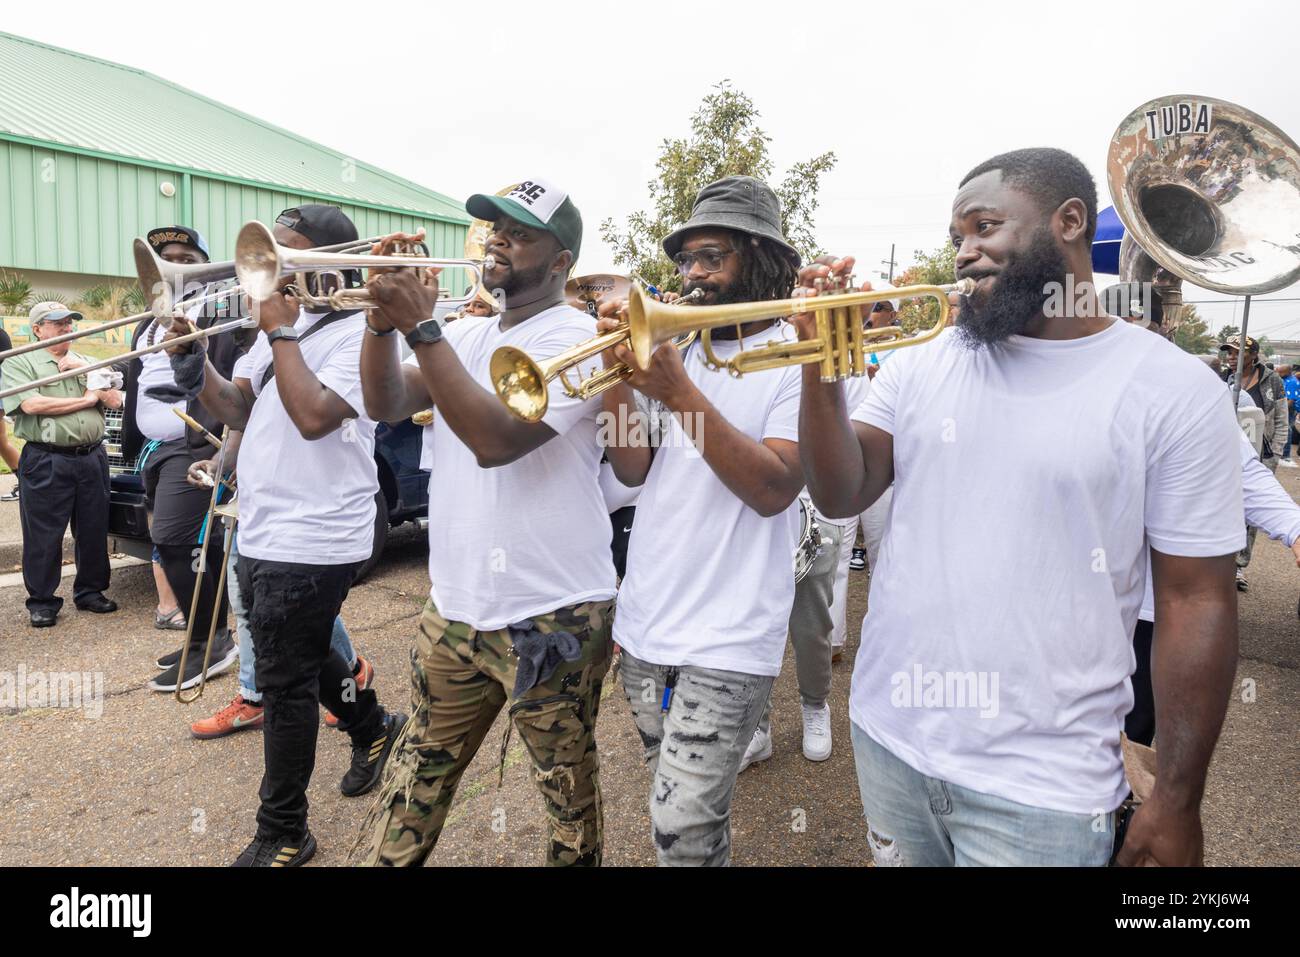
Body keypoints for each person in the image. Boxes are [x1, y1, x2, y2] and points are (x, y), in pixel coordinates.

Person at [798, 148, 1244, 867]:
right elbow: (840, 490)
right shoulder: (919, 363)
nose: (964, 254)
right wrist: (819, 370)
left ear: (1069, 222)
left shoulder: (1175, 390)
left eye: (984, 227)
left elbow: (1197, 601)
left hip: (1045, 790)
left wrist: (1177, 800)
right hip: (887, 740)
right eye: (955, 239)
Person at [355, 178, 616, 867]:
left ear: (560, 262)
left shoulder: (579, 338)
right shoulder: (465, 333)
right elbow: (383, 402)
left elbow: (496, 440)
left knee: (566, 800)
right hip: (456, 609)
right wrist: (380, 323)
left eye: (519, 232)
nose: (497, 238)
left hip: (553, 615)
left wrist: (420, 325)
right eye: (493, 226)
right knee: (415, 777)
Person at [163, 204, 404, 866]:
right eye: (267, 255)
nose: (270, 269)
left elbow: (314, 416)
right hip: (265, 522)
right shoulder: (276, 332)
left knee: (285, 678)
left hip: (319, 531)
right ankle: (373, 726)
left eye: (285, 254)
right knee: (296, 650)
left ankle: (285, 830)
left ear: (327, 262)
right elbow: (239, 406)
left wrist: (281, 332)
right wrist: (193, 368)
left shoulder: (366, 332)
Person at [598, 175, 806, 866]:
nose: (693, 275)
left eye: (711, 257)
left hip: (729, 632)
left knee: (678, 825)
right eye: (686, 260)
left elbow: (773, 486)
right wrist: (613, 379)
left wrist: (676, 392)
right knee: (684, 811)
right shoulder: (681, 349)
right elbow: (632, 470)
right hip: (649, 619)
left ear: (760, 258)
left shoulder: (797, 354)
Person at [125, 225, 240, 691]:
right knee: (196, 544)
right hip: (155, 449)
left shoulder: (222, 308)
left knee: (173, 539)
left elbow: (231, 375)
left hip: (194, 444)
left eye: (186, 258)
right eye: (166, 258)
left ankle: (210, 643)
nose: (173, 265)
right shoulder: (146, 321)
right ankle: (207, 635)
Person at [1, 302, 123, 627]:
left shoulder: (87, 361)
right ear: (37, 329)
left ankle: (91, 591)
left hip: (92, 457)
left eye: (69, 323)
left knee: (94, 527)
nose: (66, 328)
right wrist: (85, 399)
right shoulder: (18, 362)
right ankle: (42, 601)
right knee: (44, 534)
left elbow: (115, 399)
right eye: (57, 323)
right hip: (46, 458)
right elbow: (30, 403)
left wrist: (84, 371)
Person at [1224, 335, 1289, 590]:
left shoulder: (1272, 381)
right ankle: (1223, 563)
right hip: (1232, 453)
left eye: (1236, 352)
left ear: (1253, 355)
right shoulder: (1224, 380)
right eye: (1228, 352)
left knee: (1251, 515)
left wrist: (1276, 453)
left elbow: (1282, 419)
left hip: (1262, 454)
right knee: (1229, 509)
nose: (1231, 357)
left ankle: (1239, 565)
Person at [1278, 363, 1298, 467]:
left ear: (1288, 372)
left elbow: (1291, 400)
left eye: (1281, 372)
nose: (1279, 373)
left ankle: (1286, 455)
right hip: (1286, 408)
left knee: (1288, 430)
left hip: (1289, 409)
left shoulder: (1292, 382)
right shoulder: (1286, 380)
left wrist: (1282, 410)